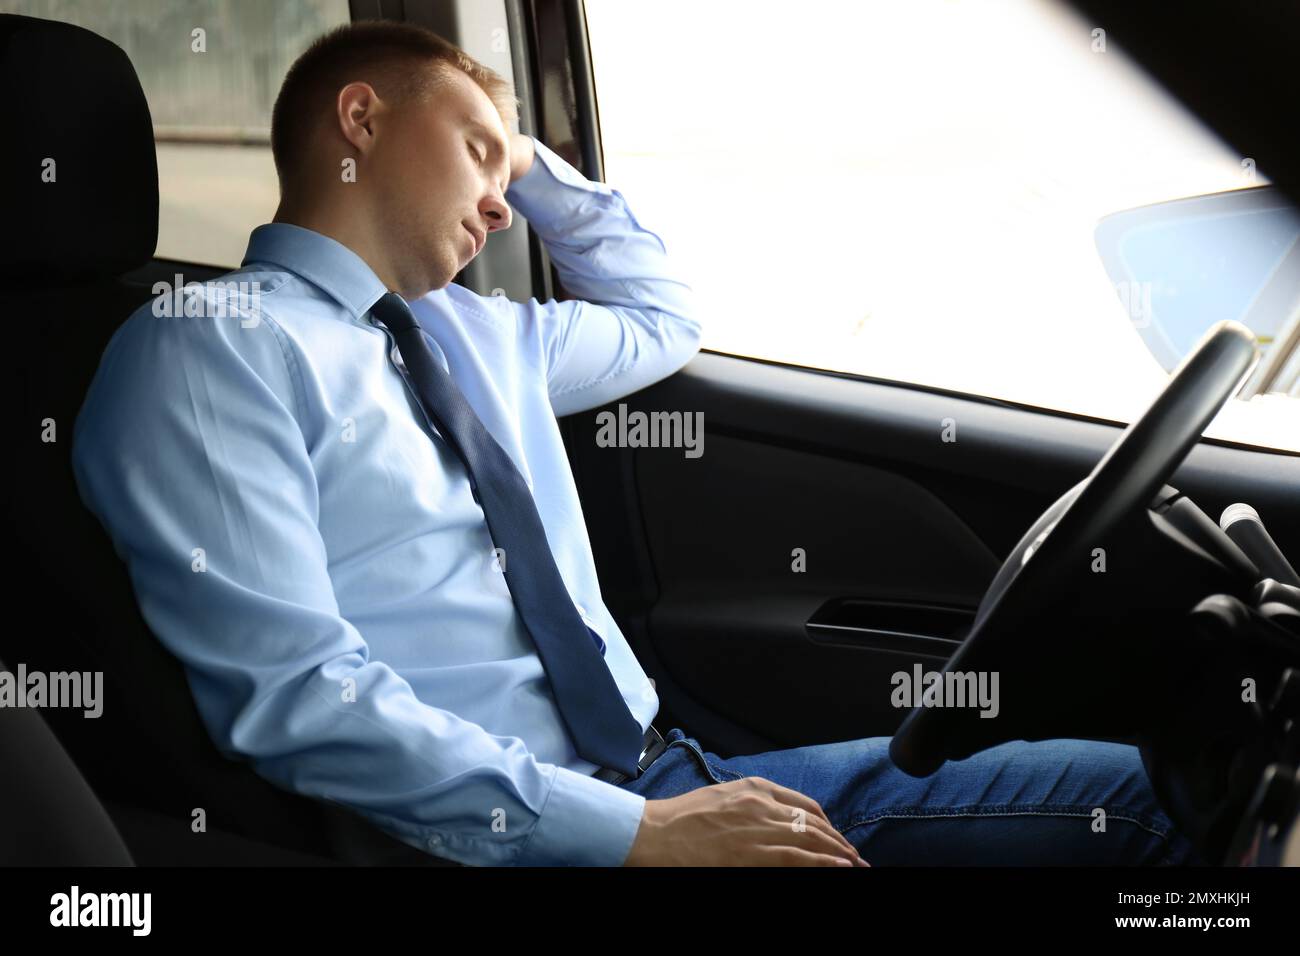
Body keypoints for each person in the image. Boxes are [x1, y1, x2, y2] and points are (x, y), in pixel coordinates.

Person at [71, 21, 1200, 868]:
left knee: (1170, 789)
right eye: (473, 151)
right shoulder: (212, 349)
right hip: (538, 828)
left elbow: (667, 316)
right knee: (1151, 824)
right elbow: (302, 698)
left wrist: (523, 159)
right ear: (359, 121)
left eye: (498, 165)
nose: (498, 204)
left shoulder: (485, 336)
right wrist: (635, 835)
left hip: (669, 771)